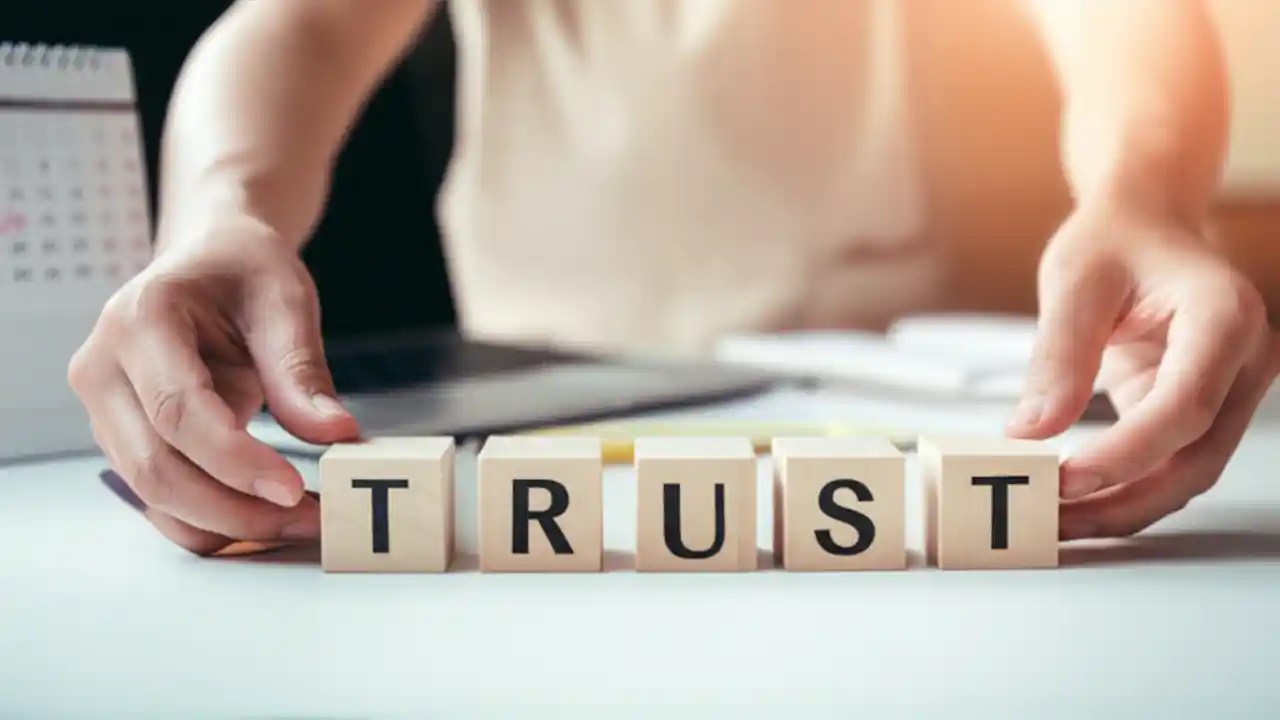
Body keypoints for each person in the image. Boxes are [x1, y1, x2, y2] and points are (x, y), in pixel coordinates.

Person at [68, 0, 1278, 554]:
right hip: (535, 408)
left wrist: (1142, 197)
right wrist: (211, 222)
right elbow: (298, 25)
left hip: (862, 396)